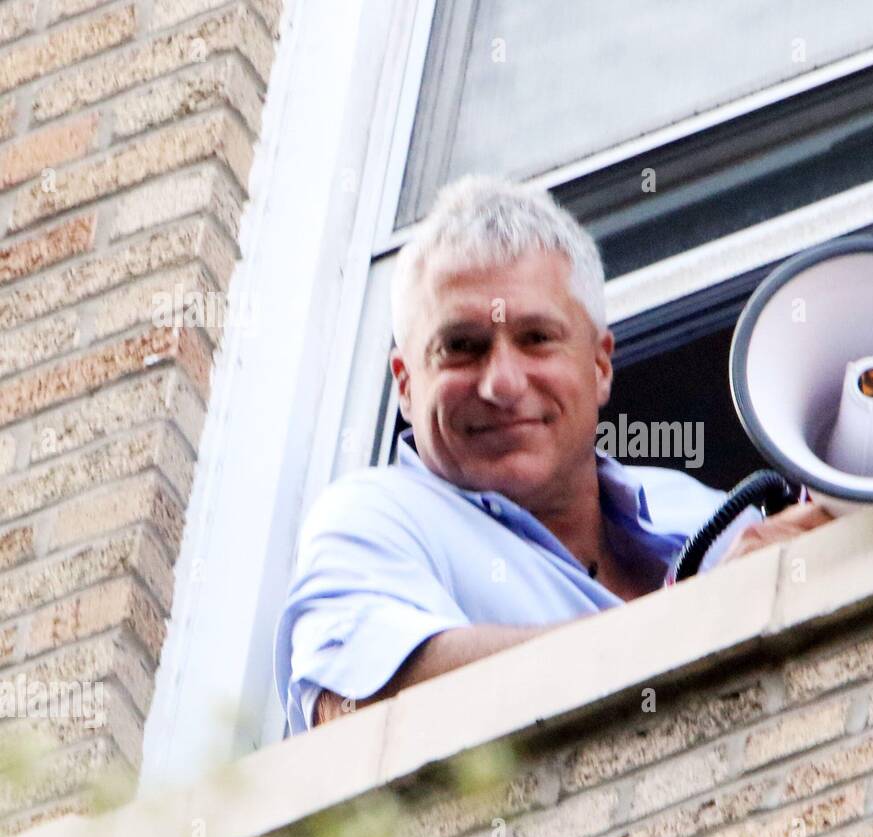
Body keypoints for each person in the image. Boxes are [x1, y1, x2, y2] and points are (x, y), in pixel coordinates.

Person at [273, 175, 831, 733]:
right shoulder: (371, 517)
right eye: (461, 347)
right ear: (405, 384)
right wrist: (698, 620)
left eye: (537, 337)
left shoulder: (702, 508)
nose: (503, 384)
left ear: (600, 365)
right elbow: (361, 709)